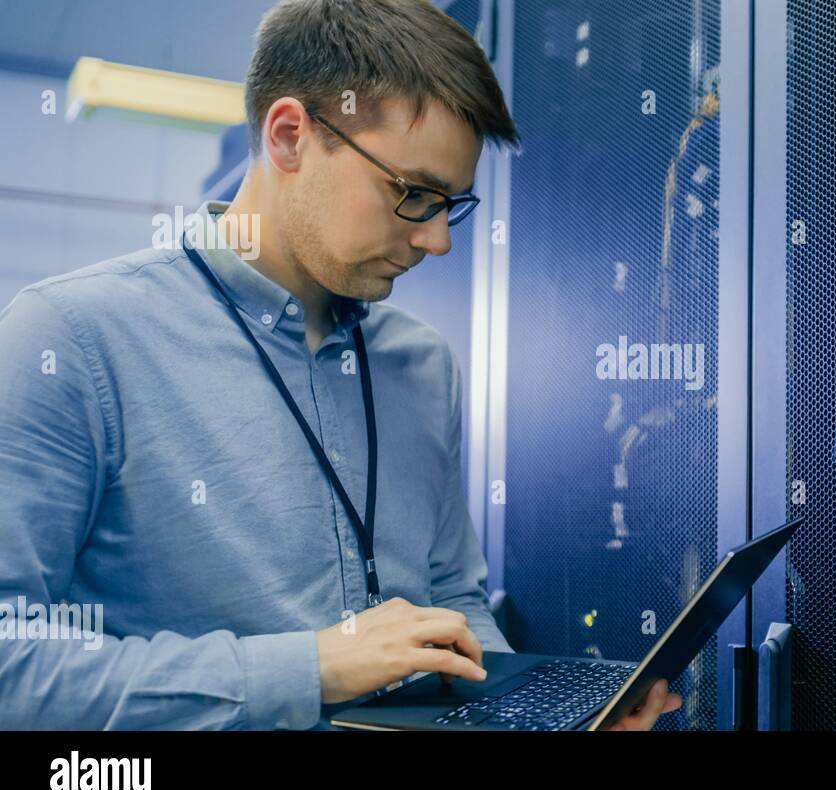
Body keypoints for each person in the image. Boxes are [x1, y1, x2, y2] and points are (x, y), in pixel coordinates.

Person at [0, 0, 681, 731]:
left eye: (449, 205)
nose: (436, 241)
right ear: (291, 136)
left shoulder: (421, 365)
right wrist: (310, 669)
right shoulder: (71, 338)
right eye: (413, 194)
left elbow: (453, 596)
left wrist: (533, 717)